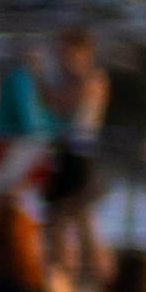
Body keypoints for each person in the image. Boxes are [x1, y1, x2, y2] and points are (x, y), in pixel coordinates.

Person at [30, 20, 118, 254]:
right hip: (66, 152)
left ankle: (84, 272)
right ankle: (71, 270)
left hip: (79, 155)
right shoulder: (71, 78)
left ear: (83, 51)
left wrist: (38, 73)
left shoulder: (91, 78)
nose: (62, 57)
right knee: (75, 219)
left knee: (64, 217)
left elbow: (57, 102)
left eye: (66, 51)